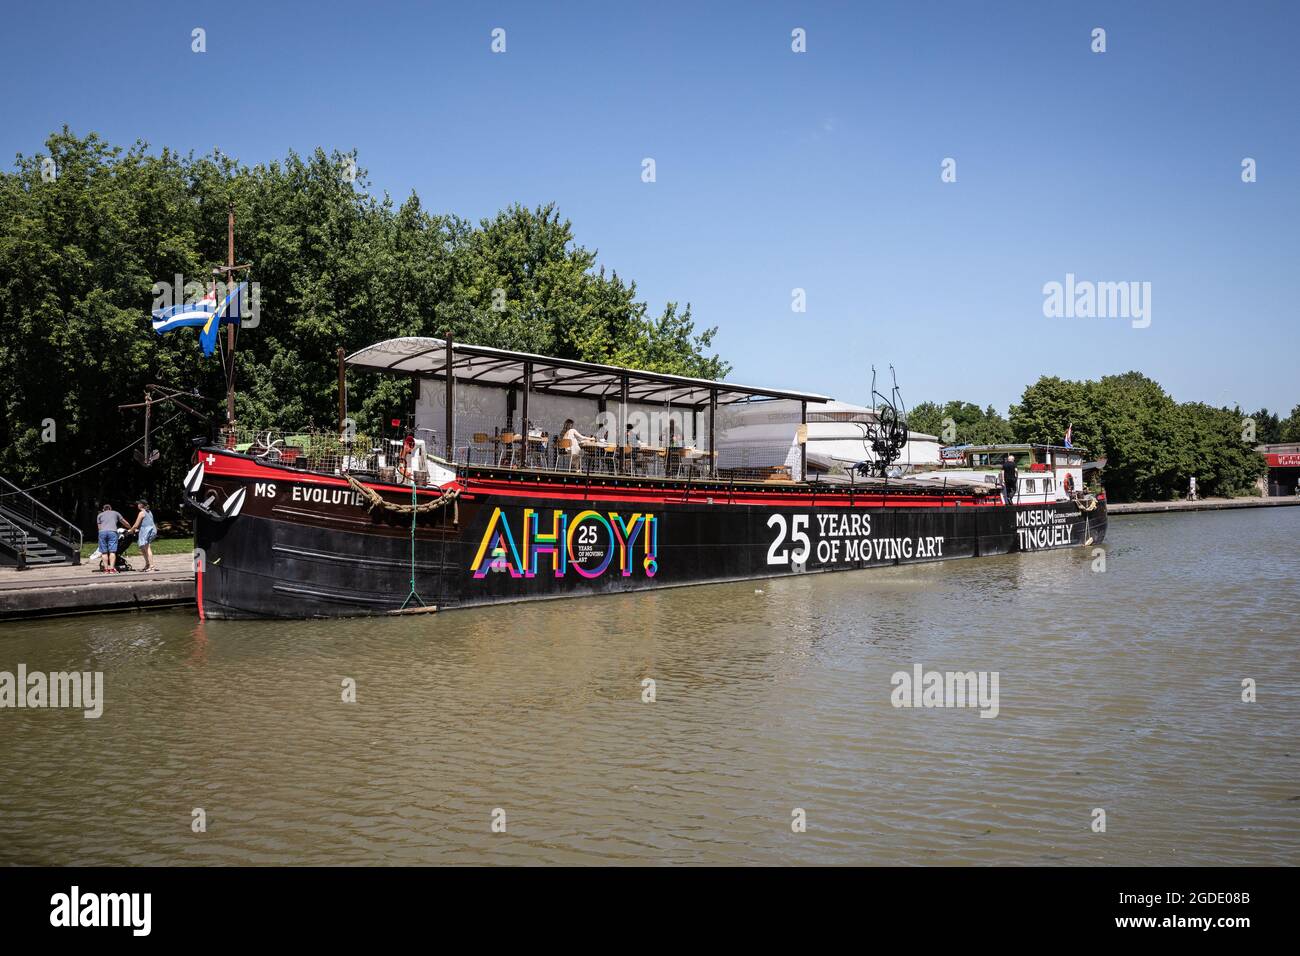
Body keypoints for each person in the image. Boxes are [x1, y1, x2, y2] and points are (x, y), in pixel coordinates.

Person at [95, 503, 128, 573]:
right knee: (112, 551)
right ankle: (112, 569)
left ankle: (106, 569)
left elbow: (99, 528)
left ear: (103, 509)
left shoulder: (99, 515)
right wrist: (130, 528)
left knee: (104, 552)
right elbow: (124, 522)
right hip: (112, 532)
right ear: (110, 509)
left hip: (102, 533)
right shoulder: (116, 513)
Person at [128, 499, 159, 571]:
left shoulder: (142, 513)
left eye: (138, 504)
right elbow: (146, 522)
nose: (137, 505)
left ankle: (152, 566)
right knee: (142, 547)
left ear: (141, 505)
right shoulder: (149, 512)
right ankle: (148, 564)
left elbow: (136, 525)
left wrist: (131, 531)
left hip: (147, 531)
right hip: (149, 530)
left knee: (147, 547)